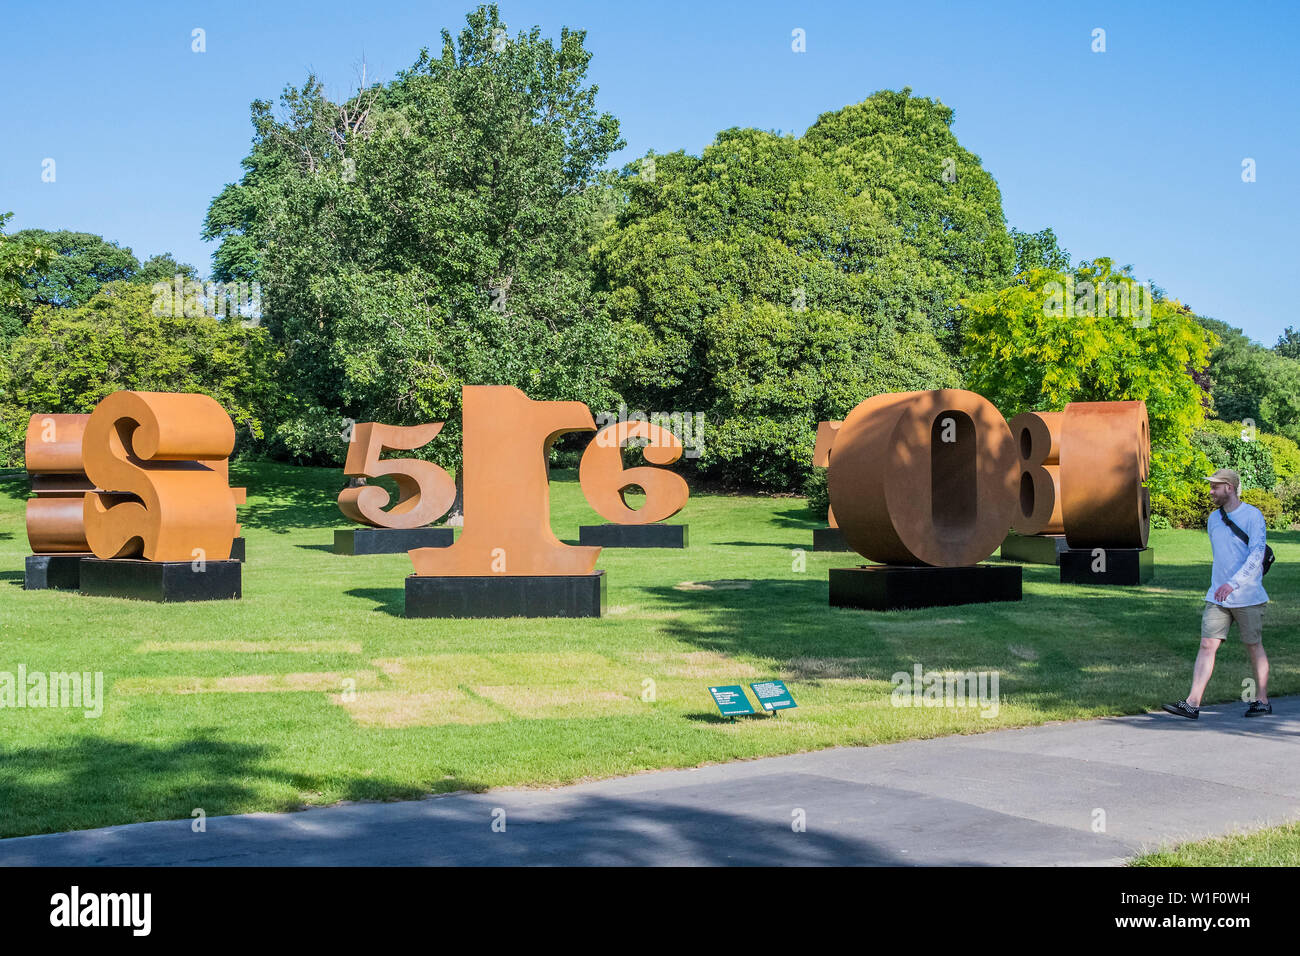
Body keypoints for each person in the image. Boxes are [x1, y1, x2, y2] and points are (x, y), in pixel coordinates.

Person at [1163, 468, 1271, 719]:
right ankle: (1192, 703)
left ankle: (1262, 700)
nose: (1210, 492)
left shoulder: (1253, 516)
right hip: (1218, 596)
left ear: (1229, 488)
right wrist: (1221, 586)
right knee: (1206, 644)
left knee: (1253, 646)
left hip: (1248, 596)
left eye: (1215, 487)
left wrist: (1233, 584)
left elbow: (1256, 555)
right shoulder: (1213, 519)